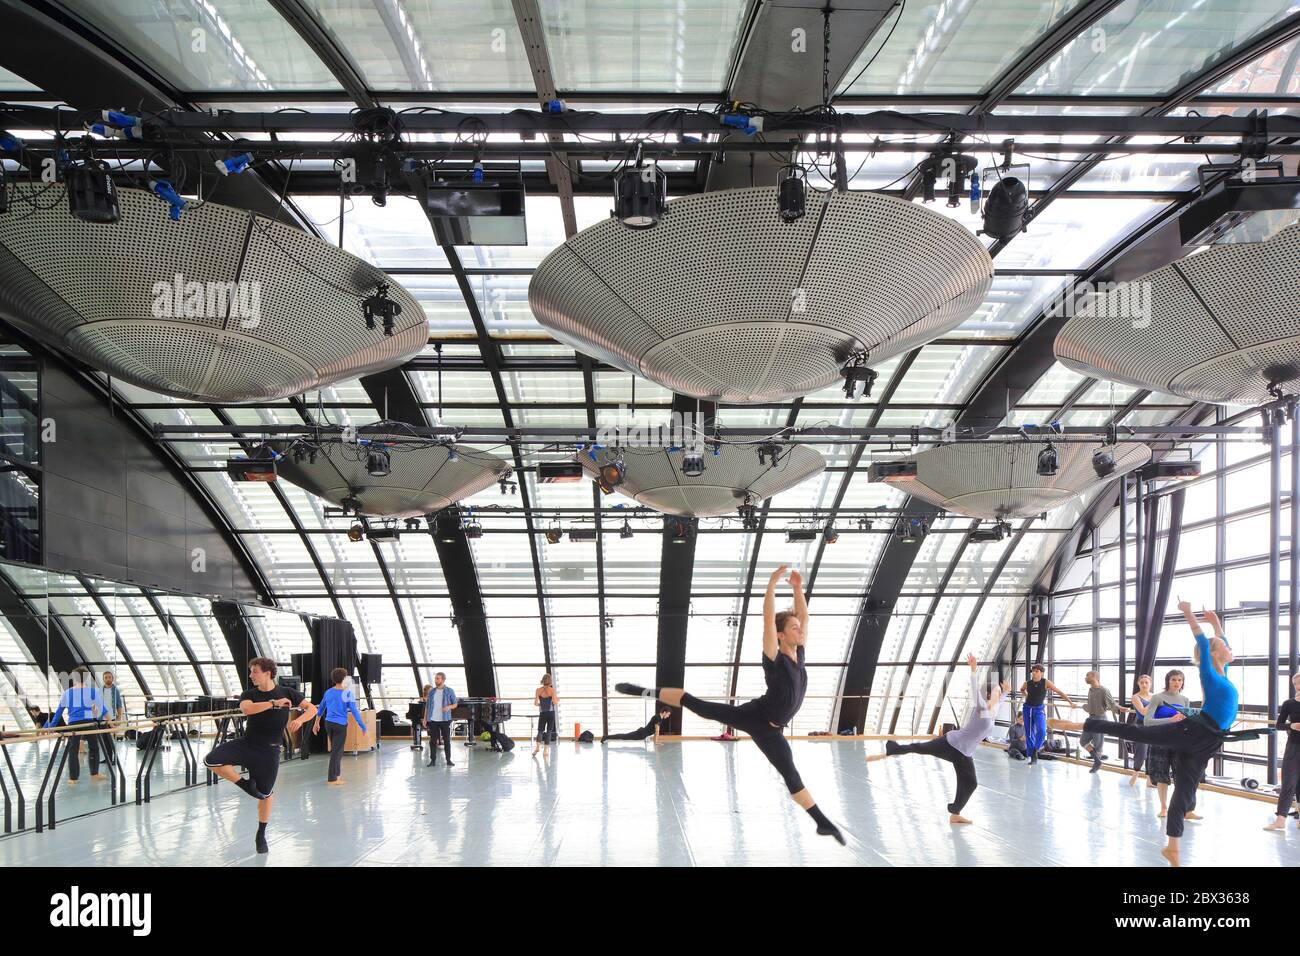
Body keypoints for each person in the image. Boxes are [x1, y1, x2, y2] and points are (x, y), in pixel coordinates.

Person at [615, 565, 846, 845]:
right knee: (698, 705)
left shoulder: (800, 654)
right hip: (755, 715)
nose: (801, 630)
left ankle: (823, 824)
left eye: (800, 628)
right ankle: (644, 691)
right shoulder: (774, 656)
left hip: (772, 731)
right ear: (781, 635)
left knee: (791, 775)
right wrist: (772, 586)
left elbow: (805, 618)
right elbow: (766, 620)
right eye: (794, 628)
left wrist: (798, 589)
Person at [1049, 602, 1265, 867]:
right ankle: (1084, 726)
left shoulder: (1224, 673)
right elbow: (1202, 639)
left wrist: (1216, 623)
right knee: (1138, 733)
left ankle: (1173, 846)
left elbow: (1220, 642)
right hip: (1193, 731)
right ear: (1215, 653)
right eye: (1226, 647)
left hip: (1210, 741)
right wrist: (1190, 614)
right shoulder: (1210, 673)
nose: (1232, 649)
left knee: (1185, 791)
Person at [867, 654, 1010, 824]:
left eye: (999, 693)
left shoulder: (994, 710)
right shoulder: (981, 707)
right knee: (921, 748)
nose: (998, 694)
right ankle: (894, 749)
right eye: (995, 692)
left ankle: (955, 812)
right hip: (952, 744)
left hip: (964, 753)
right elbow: (974, 689)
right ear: (988, 695)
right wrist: (973, 670)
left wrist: (1005, 691)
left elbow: (1001, 700)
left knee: (971, 783)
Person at [203, 657, 316, 855]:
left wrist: (300, 720)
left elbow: (312, 708)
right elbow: (246, 708)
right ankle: (245, 785)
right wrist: (273, 704)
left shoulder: (288, 692)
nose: (251, 675)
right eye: (250, 671)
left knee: (264, 795)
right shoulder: (250, 694)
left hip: (269, 751)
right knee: (211, 759)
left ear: (267, 673)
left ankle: (261, 834)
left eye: (254, 671)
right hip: (247, 744)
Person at [1143, 670, 1190, 819]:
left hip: (1178, 742)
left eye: (1180, 680)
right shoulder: (1158, 697)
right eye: (1174, 680)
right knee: (1161, 775)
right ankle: (1163, 807)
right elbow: (1147, 721)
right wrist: (1171, 720)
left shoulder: (1185, 699)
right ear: (1168, 681)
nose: (1177, 683)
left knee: (1180, 775)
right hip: (1160, 741)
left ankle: (1181, 808)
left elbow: (1186, 722)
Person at [45, 668, 106, 784]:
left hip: (74, 723)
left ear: (73, 677)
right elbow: (102, 709)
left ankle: (73, 778)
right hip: (88, 722)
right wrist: (110, 721)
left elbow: (59, 712)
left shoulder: (67, 693)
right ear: (87, 677)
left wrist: (52, 726)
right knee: (94, 748)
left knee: (73, 750)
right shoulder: (92, 691)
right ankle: (94, 774)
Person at [312, 667, 368, 785]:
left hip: (329, 723)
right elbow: (354, 711)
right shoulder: (347, 693)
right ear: (343, 679)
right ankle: (332, 779)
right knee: (337, 752)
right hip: (340, 725)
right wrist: (363, 726)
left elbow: (321, 709)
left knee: (336, 750)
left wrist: (316, 723)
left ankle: (337, 776)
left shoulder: (328, 692)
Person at [1265, 672, 1300, 832]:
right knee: (1288, 783)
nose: (1298, 687)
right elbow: (1278, 725)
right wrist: (1290, 726)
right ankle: (1280, 819)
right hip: (1293, 747)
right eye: (1296, 684)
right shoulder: (1289, 704)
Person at [1018, 664, 1073, 765]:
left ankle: (1035, 749)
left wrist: (1070, 702)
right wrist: (1026, 695)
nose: (1034, 673)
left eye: (1036, 671)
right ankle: (1032, 755)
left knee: (1042, 731)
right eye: (1033, 671)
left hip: (1039, 709)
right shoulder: (1027, 683)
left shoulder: (1046, 682)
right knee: (1029, 732)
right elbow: (1021, 689)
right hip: (1028, 709)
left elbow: (1058, 691)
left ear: (1041, 673)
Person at [1080, 671, 1126, 772]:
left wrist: (1119, 708)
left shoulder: (1104, 690)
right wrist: (1083, 706)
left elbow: (1111, 703)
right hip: (1091, 719)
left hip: (1100, 719)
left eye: (1087, 676)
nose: (1085, 678)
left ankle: (1096, 762)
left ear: (1094, 677)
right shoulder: (1091, 690)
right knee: (1083, 741)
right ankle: (1097, 761)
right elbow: (1092, 705)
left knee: (1098, 744)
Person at [424, 672, 459, 767]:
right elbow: (427, 706)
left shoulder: (449, 691)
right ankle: (433, 760)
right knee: (432, 741)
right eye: (435, 678)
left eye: (438, 679)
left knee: (447, 740)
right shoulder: (431, 692)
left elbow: (455, 704)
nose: (436, 680)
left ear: (443, 680)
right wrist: (425, 718)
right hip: (433, 720)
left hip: (445, 719)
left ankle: (448, 760)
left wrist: (449, 707)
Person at [1127, 674, 1153, 786]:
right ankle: (1135, 774)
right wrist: (1155, 701)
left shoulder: (1154, 696)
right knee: (1141, 752)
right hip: (1141, 726)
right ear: (1138, 684)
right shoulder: (1135, 697)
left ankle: (1149, 780)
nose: (1144, 684)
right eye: (1142, 682)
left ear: (1150, 684)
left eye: (1146, 682)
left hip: (1153, 726)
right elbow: (1143, 711)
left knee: (1151, 752)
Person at [603, 707, 671, 742]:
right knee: (624, 736)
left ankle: (606, 737)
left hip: (642, 733)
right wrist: (656, 742)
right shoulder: (658, 718)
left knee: (624, 736)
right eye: (668, 714)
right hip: (641, 734)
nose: (668, 716)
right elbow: (657, 731)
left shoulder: (658, 717)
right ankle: (606, 737)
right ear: (664, 712)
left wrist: (656, 741)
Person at [533, 674, 558, 757]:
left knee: (540, 731)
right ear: (550, 681)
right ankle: (546, 750)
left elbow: (536, 703)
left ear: (542, 680)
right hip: (550, 713)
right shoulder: (552, 690)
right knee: (549, 731)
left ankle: (537, 748)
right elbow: (554, 702)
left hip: (542, 713)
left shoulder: (538, 690)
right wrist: (557, 700)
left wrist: (541, 704)